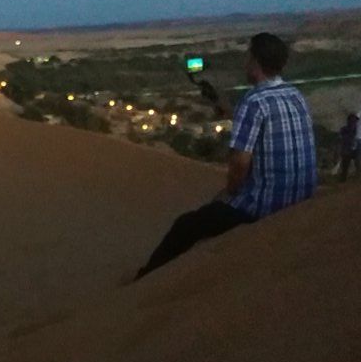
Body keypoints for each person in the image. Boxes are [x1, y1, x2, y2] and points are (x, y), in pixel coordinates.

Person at [135, 33, 316, 280]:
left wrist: (230, 192)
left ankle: (145, 281)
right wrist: (229, 111)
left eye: (248, 57)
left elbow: (240, 163)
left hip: (265, 207)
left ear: (255, 61)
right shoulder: (296, 95)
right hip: (302, 197)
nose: (245, 63)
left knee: (186, 226)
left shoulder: (253, 101)